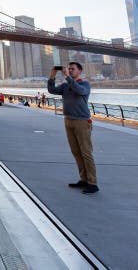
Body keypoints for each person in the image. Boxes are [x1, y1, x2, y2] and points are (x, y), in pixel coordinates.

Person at [48, 62, 98, 194]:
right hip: (68, 120)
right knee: (76, 152)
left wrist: (67, 78)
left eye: (72, 69)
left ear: (80, 71)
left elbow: (79, 90)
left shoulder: (84, 84)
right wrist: (52, 77)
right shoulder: (65, 85)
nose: (70, 71)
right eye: (69, 69)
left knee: (86, 153)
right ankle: (84, 179)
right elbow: (52, 90)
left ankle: (92, 183)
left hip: (82, 121)